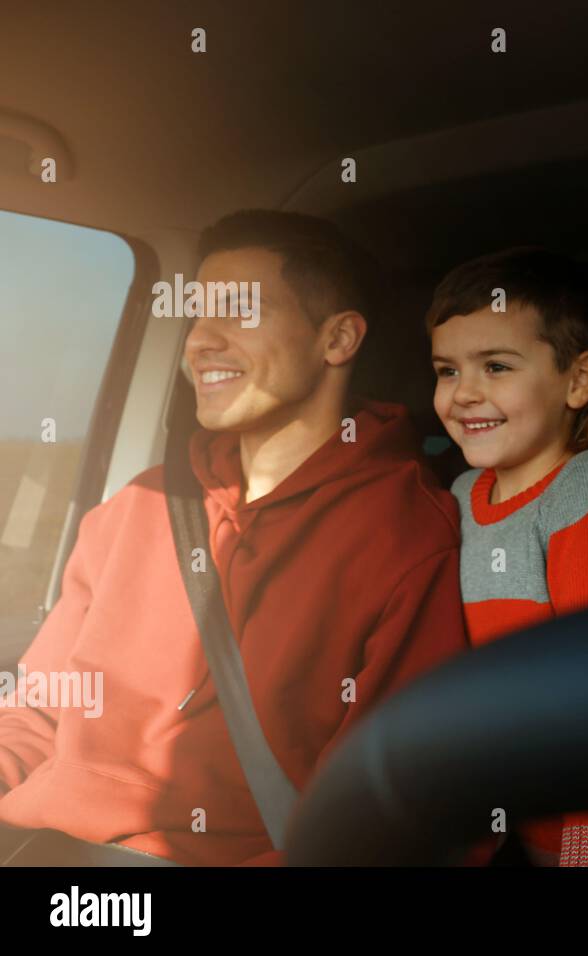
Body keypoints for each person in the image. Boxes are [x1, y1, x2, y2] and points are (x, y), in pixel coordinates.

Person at [0, 211, 468, 865]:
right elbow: (37, 713)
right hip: (43, 844)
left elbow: (391, 813)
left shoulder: (408, 536)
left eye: (238, 312)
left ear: (337, 339)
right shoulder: (141, 503)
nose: (200, 341)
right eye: (196, 315)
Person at [427, 246, 588, 865]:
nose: (464, 394)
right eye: (447, 370)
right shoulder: (462, 494)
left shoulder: (587, 490)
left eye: (496, 367)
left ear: (579, 381)